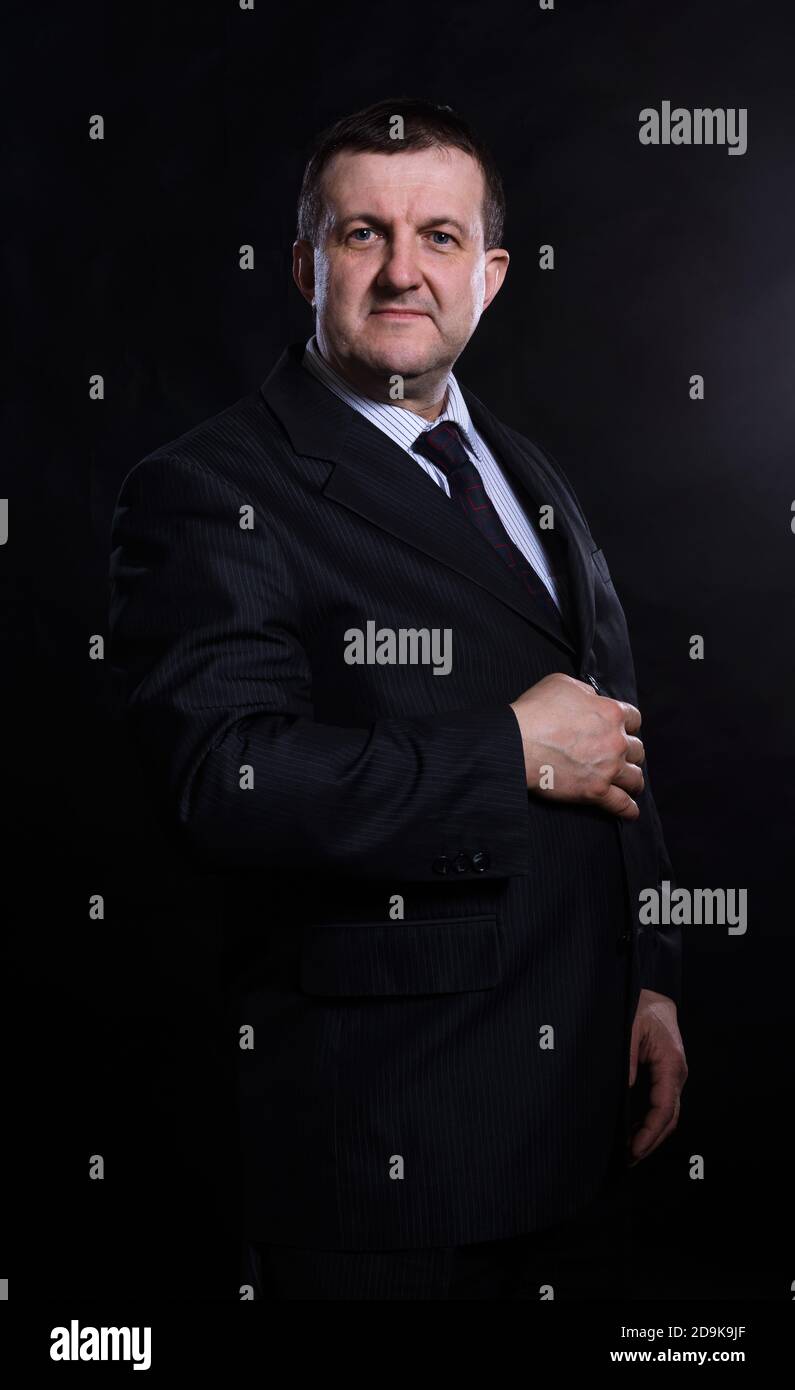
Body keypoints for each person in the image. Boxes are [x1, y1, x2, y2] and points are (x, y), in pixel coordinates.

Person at [109, 96, 687, 1300]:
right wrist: (507, 750)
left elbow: (612, 736)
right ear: (305, 264)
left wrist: (652, 975)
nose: (400, 272)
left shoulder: (519, 469)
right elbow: (223, 781)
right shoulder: (214, 488)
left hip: (582, 1115)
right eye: (363, 234)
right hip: (388, 1145)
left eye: (436, 237)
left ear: (490, 273)